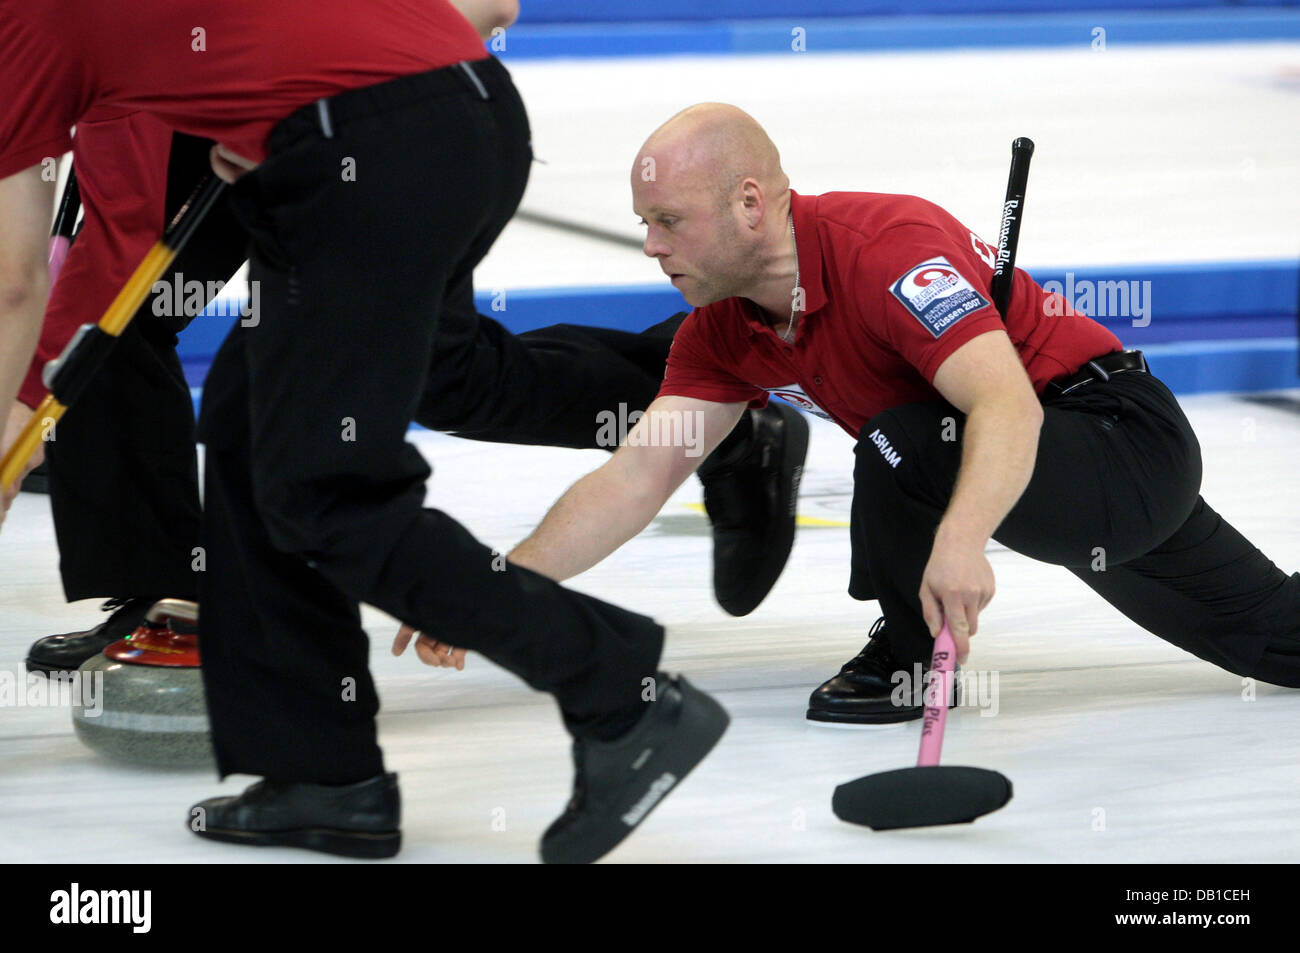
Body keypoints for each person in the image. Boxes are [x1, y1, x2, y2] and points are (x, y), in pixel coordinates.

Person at [0, 0, 730, 864]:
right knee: (246, 416)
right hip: (441, 113)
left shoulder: (21, 26)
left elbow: (36, 272)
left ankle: (624, 695)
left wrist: (17, 433)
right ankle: (323, 773)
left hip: (377, 142)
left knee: (326, 490)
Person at [487, 102, 1300, 727]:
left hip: (1114, 442)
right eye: (645, 225)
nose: (652, 248)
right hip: (1054, 477)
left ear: (747, 203)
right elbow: (636, 476)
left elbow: (1005, 403)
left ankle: (909, 654)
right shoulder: (721, 331)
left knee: (900, 433)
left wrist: (958, 543)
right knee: (1280, 637)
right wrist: (496, 589)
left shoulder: (886, 248)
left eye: (669, 221)